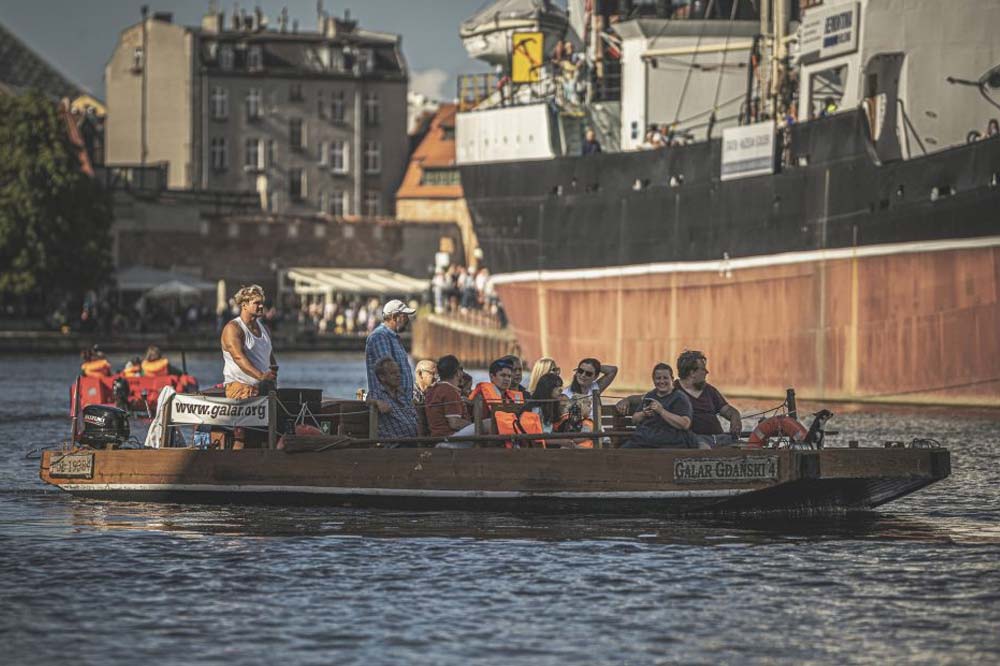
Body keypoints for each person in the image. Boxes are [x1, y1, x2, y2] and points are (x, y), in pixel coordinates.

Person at [675, 350, 742, 447]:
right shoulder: (673, 392)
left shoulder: (710, 390)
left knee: (749, 448)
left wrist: (735, 417)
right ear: (692, 372)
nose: (707, 372)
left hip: (720, 439)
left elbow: (727, 410)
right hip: (695, 442)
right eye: (703, 369)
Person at [220, 284, 277, 400]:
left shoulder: (265, 328)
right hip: (240, 389)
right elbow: (239, 358)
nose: (261, 306)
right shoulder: (233, 328)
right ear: (244, 305)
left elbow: (270, 357)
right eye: (256, 303)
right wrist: (262, 376)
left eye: (262, 303)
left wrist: (273, 377)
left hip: (263, 388)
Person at [623, 363, 697, 449]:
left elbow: (685, 424)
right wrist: (643, 414)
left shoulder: (680, 397)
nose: (662, 382)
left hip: (669, 442)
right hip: (644, 440)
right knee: (620, 454)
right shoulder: (649, 396)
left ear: (672, 379)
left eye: (665, 378)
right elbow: (634, 420)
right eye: (658, 378)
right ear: (653, 380)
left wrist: (661, 411)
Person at [366, 299, 416, 406]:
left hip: (401, 402)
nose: (407, 320)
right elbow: (388, 372)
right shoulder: (380, 336)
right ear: (394, 317)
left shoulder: (393, 337)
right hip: (391, 403)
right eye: (404, 316)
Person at [368, 357, 418, 443]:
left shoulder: (402, 394)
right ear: (382, 377)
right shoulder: (377, 393)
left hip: (415, 441)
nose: (398, 375)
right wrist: (376, 402)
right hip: (395, 445)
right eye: (393, 373)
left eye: (398, 372)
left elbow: (415, 416)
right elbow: (368, 400)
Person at [424, 355, 474, 438]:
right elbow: (454, 423)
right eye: (461, 369)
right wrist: (476, 426)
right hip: (450, 438)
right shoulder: (449, 391)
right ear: (458, 372)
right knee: (488, 423)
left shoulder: (432, 389)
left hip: (437, 436)